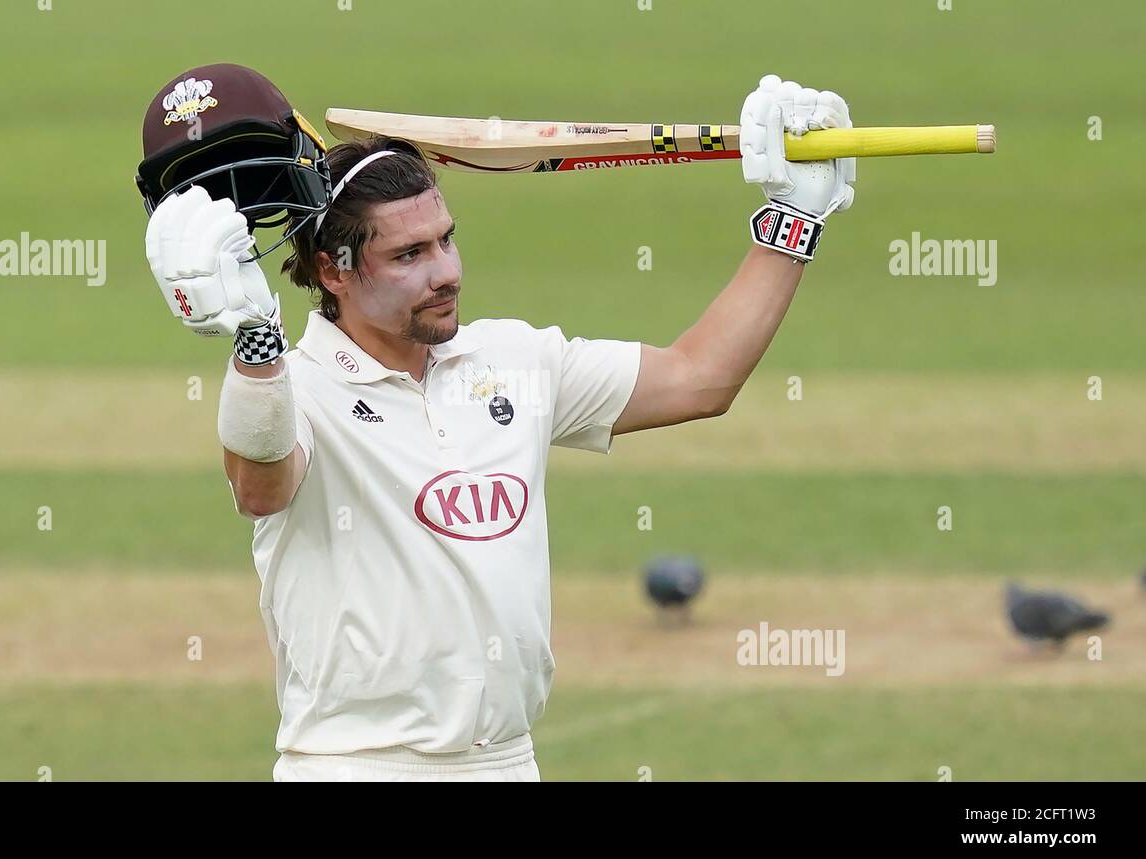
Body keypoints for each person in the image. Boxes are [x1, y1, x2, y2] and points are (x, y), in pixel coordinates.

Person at [139, 67, 855, 781]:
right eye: (409, 256)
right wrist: (257, 344)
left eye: (446, 240)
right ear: (334, 271)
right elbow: (259, 489)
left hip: (507, 763)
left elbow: (699, 380)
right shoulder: (298, 390)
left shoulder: (514, 360)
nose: (445, 272)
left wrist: (793, 222)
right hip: (356, 765)